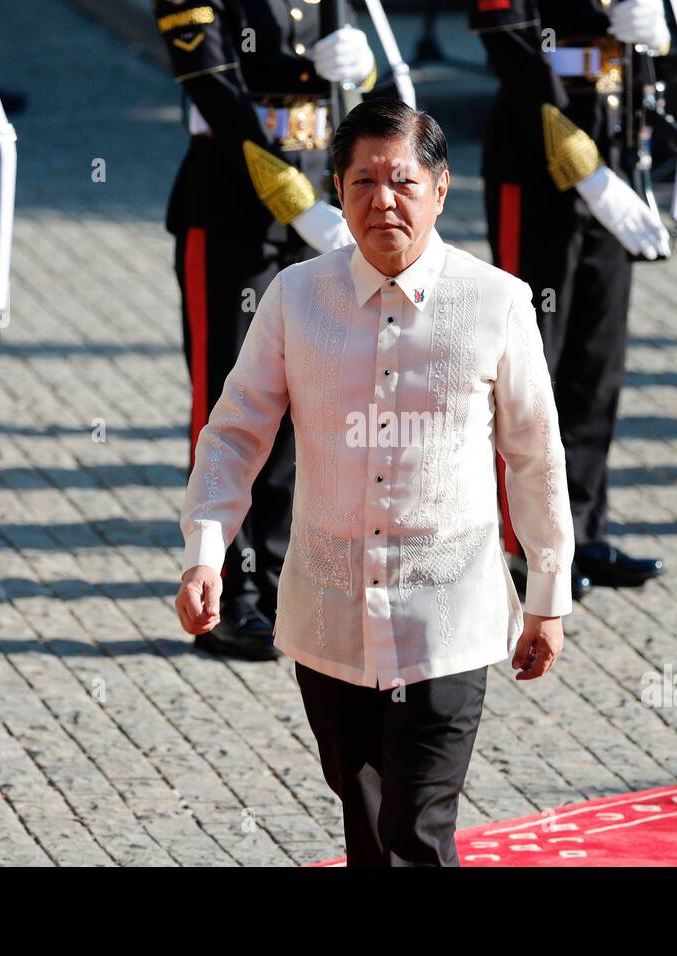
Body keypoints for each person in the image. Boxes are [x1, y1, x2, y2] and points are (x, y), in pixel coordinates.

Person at [175, 99, 574, 866]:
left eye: (402, 181)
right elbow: (234, 433)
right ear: (335, 188)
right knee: (367, 833)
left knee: (418, 833)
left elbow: (535, 455)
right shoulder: (296, 297)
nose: (382, 201)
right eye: (362, 182)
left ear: (442, 187)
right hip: (330, 620)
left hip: (448, 617)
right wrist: (205, 551)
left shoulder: (497, 303)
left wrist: (547, 600)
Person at [153, 0, 376, 660]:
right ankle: (230, 592)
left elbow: (364, 92)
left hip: (321, 208)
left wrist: (365, 76)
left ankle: (281, 580)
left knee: (308, 408)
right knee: (236, 409)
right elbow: (214, 88)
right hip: (232, 214)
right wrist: (298, 203)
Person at [470, 0, 671, 601]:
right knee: (532, 370)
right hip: (538, 162)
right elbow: (508, 41)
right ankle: (526, 544)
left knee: (596, 362)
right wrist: (582, 166)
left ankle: (582, 528)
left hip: (614, 156)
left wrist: (657, 43)